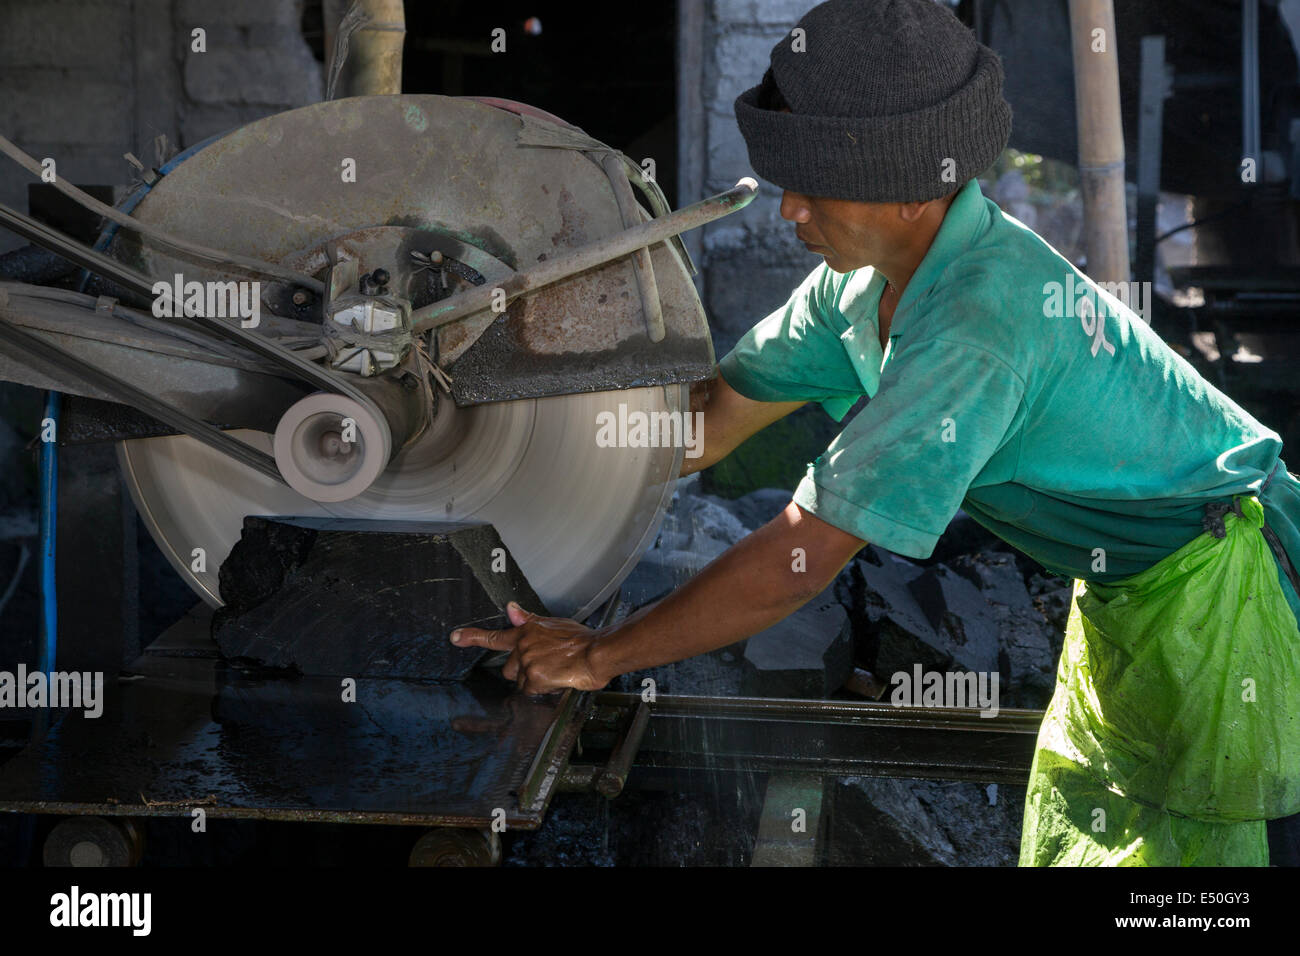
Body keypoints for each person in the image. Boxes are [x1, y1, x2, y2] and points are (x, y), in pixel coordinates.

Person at [451, 0, 1300, 866]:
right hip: (1136, 588)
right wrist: (496, 445)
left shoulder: (976, 326)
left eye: (815, 186)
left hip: (1232, 594)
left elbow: (799, 561)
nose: (790, 213)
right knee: (1116, 829)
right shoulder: (855, 291)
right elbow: (702, 431)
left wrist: (600, 657)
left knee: (1205, 864)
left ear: (913, 189)